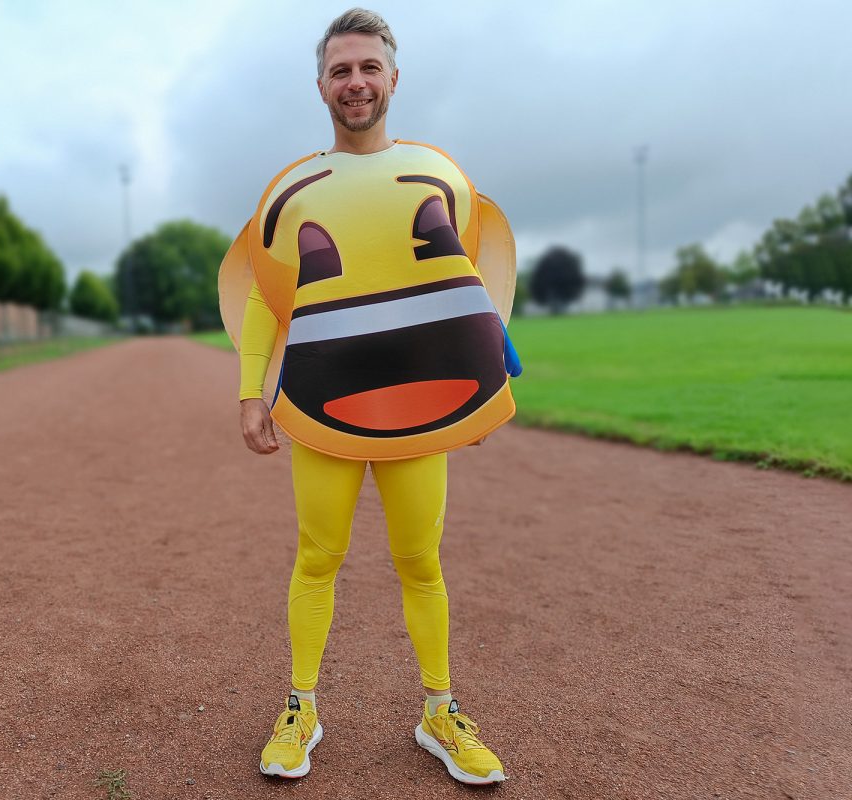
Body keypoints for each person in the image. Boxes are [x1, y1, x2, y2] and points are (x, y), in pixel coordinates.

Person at [229, 7, 520, 786]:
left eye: (367, 68)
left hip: (419, 406)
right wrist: (251, 392)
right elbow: (266, 295)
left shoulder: (439, 174)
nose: (354, 83)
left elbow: (466, 276)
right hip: (324, 401)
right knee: (317, 556)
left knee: (419, 559)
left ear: (393, 77)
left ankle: (439, 712)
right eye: (339, 70)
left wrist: (482, 388)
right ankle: (301, 707)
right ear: (320, 84)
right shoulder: (293, 188)